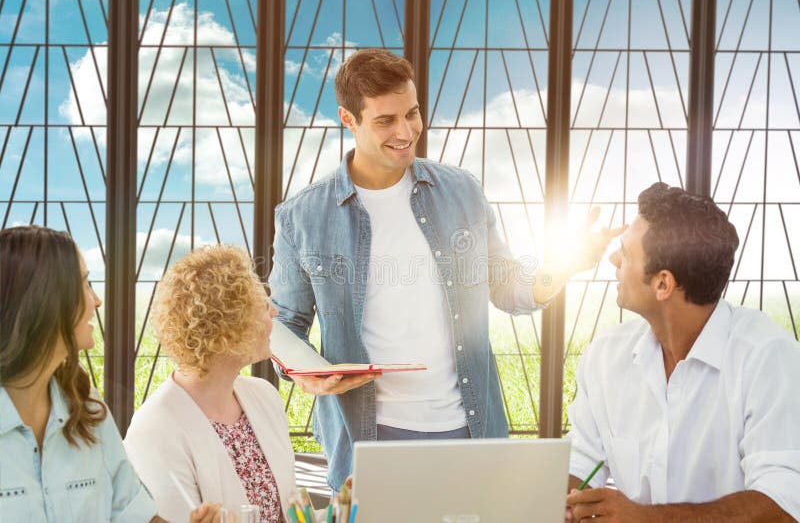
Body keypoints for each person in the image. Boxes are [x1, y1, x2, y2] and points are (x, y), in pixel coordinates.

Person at [269, 48, 623, 490]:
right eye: (385, 121)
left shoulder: (461, 192)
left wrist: (564, 266)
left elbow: (510, 288)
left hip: (469, 428)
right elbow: (285, 323)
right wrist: (307, 377)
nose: (405, 132)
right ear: (348, 119)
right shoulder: (301, 217)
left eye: (412, 114)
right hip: (367, 440)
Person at [565, 183, 800, 521]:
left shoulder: (769, 359)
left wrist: (647, 519)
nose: (614, 259)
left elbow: (783, 505)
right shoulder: (605, 357)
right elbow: (581, 463)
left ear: (663, 283)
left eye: (627, 254)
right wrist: (566, 502)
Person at [0, 225, 221, 523]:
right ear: (45, 299)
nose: (97, 300)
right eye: (85, 283)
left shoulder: (86, 406)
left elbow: (132, 513)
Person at [124, 245, 298, 523]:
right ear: (229, 324)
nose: (274, 312)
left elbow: (292, 512)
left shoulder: (265, 396)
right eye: (264, 305)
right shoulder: (154, 428)